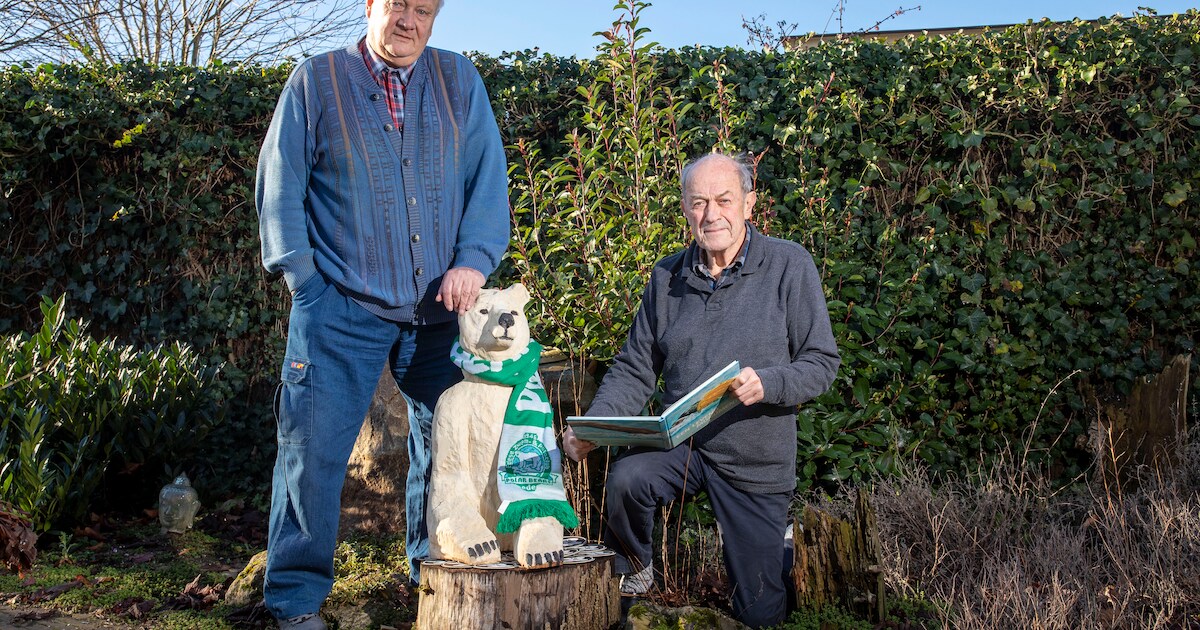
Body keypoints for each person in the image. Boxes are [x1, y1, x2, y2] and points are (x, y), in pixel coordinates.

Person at [254, 0, 510, 627]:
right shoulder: (315, 82)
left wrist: (473, 261)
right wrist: (306, 284)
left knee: (445, 446)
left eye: (424, 10)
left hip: (441, 310)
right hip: (338, 305)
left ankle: (434, 572)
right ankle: (294, 601)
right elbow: (280, 186)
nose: (409, 21)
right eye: (397, 5)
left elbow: (487, 181)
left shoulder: (459, 81)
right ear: (370, 7)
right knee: (309, 451)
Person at [562, 152, 841, 628]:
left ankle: (780, 558)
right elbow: (634, 368)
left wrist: (769, 383)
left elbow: (821, 364)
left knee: (758, 610)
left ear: (749, 204)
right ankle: (636, 572)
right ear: (686, 208)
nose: (711, 214)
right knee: (629, 478)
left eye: (724, 200)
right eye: (698, 202)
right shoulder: (667, 276)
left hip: (754, 458)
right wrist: (595, 427)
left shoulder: (789, 265)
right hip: (682, 443)